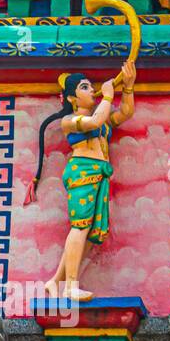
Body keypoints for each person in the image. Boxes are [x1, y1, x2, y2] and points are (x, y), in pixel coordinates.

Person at [26, 61, 137, 302]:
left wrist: (127, 87)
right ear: (72, 98)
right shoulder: (70, 120)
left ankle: (56, 281)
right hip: (82, 172)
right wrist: (108, 97)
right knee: (80, 226)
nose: (92, 91)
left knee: (95, 232)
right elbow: (95, 122)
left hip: (100, 173)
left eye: (91, 87)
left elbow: (126, 112)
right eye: (85, 87)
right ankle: (70, 286)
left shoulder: (104, 119)